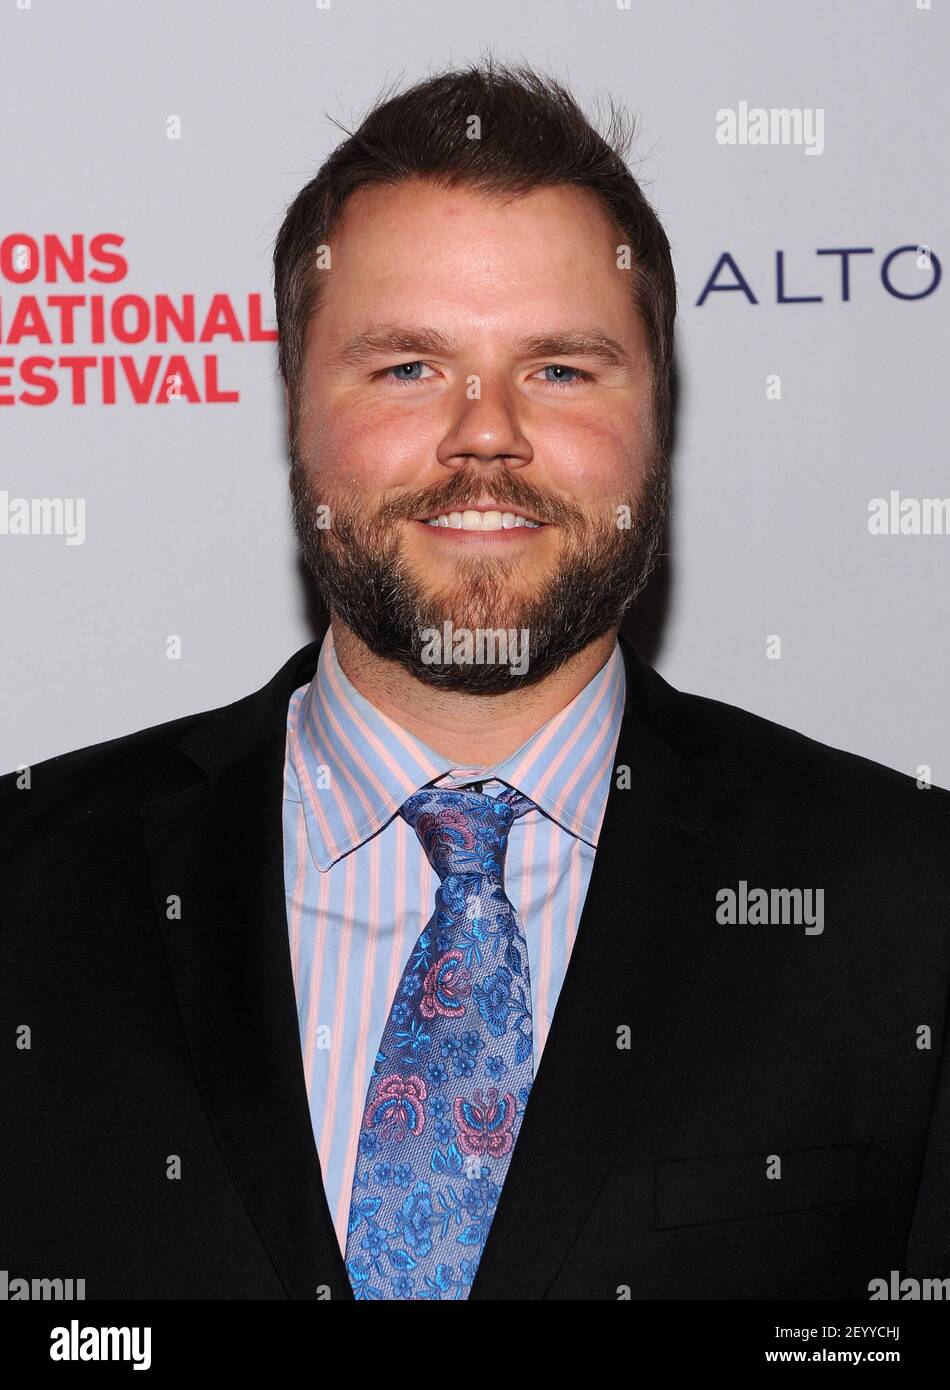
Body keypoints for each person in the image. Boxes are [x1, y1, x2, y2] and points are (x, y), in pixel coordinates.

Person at [2, 59, 949, 1302]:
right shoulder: (32, 883)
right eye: (405, 367)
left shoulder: (903, 899)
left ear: (658, 414)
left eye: (559, 368)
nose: (484, 432)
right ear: (296, 408)